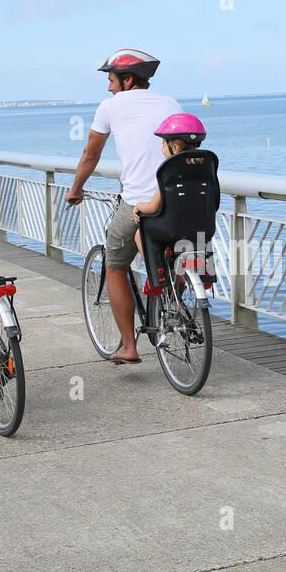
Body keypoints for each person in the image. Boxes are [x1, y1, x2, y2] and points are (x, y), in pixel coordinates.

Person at [64, 49, 180, 364]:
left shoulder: (110, 107)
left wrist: (76, 189)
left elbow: (91, 154)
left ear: (127, 79)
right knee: (173, 253)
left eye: (111, 80)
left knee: (114, 265)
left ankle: (129, 347)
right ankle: (174, 295)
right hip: (174, 200)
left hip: (137, 202)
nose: (109, 87)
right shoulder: (170, 104)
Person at [133, 113, 217, 292]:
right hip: (204, 228)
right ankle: (205, 272)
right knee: (198, 230)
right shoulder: (205, 170)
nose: (162, 149)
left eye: (163, 144)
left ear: (175, 147)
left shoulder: (170, 172)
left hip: (171, 229)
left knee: (141, 233)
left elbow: (153, 207)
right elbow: (214, 203)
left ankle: (157, 278)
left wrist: (139, 206)